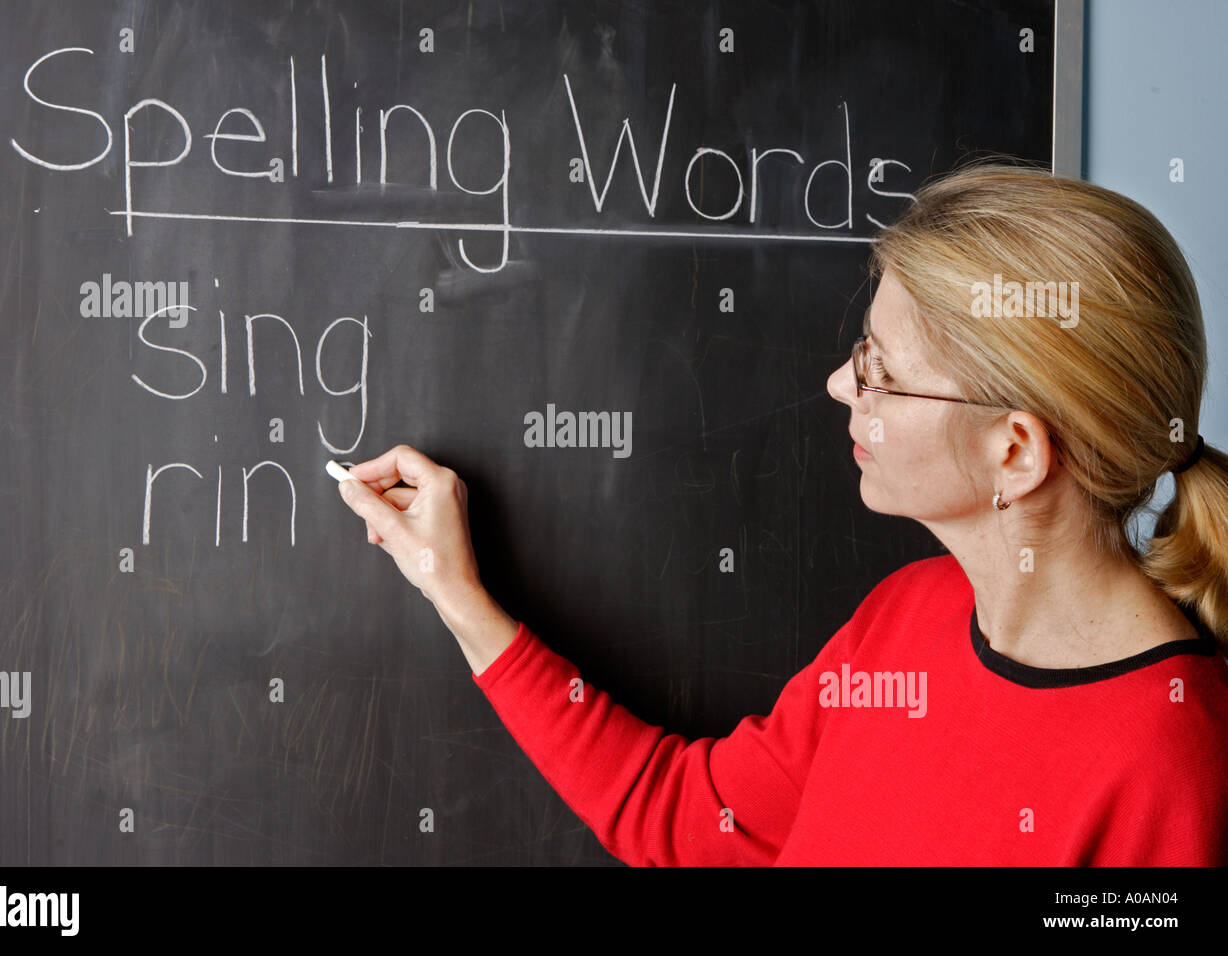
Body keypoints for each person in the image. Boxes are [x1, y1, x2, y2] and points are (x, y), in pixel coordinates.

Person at [334, 160, 1228, 865]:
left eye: (880, 368)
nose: (842, 385)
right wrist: (454, 591)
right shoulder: (907, 621)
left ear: (1017, 453)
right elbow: (683, 817)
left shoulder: (1168, 771)